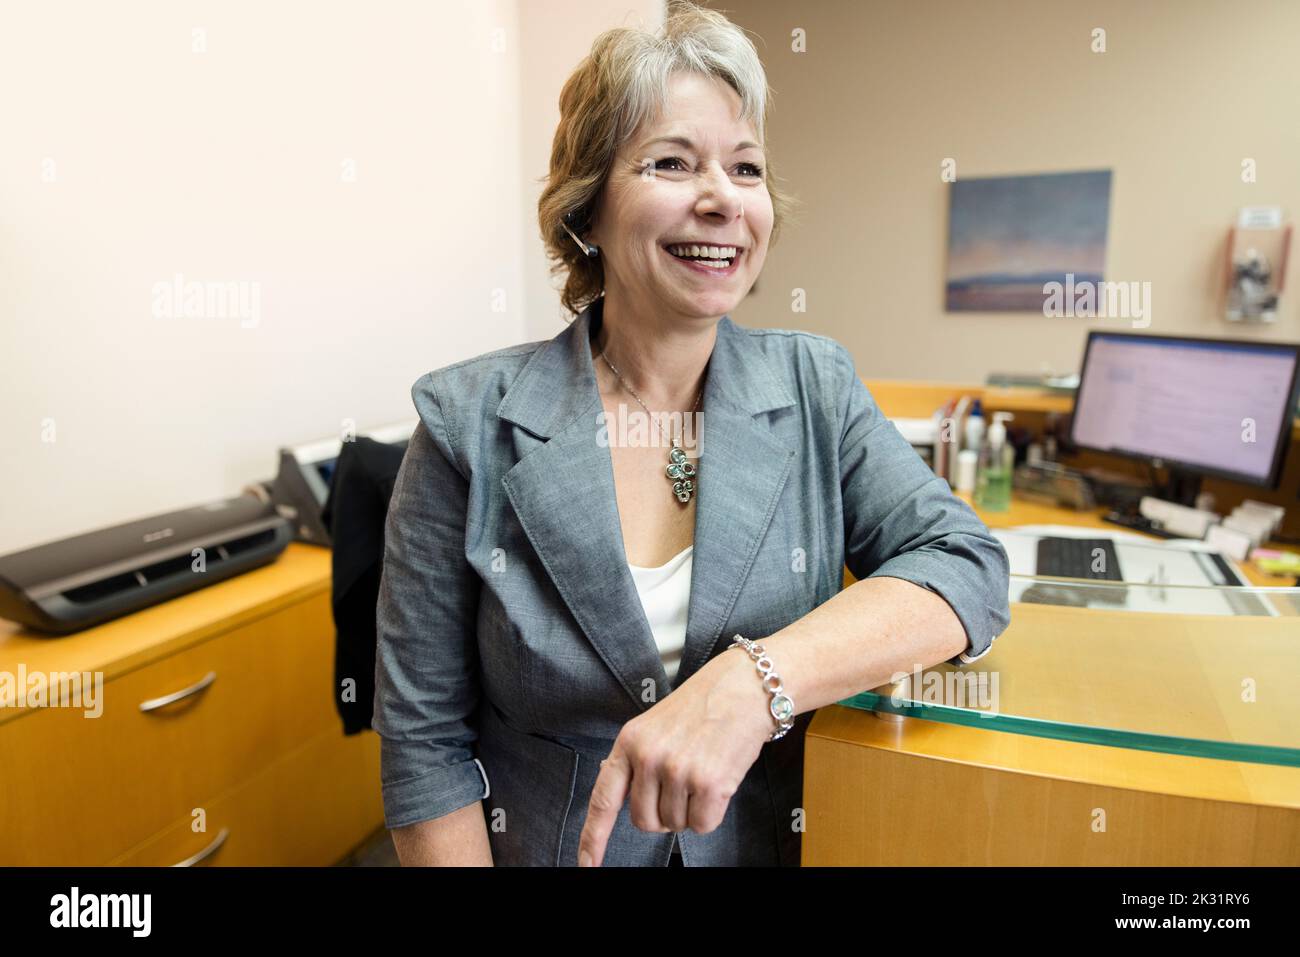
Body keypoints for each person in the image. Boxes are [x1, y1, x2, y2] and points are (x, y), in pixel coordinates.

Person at [373, 0, 1010, 868]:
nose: (722, 200)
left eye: (745, 170)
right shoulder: (465, 423)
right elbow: (423, 749)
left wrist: (753, 683)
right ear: (585, 211)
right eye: (673, 162)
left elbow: (965, 565)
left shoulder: (814, 384)